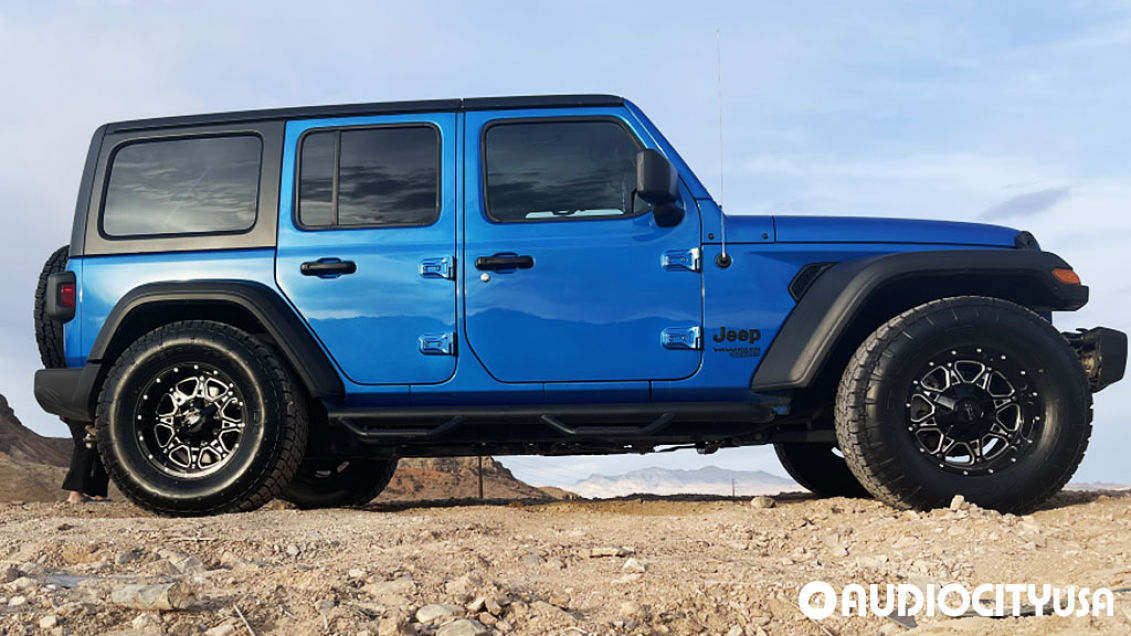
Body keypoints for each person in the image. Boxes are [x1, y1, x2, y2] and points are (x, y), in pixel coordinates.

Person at [61, 418, 109, 503]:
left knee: (104, 446)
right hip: (80, 412)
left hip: (97, 411)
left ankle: (99, 494)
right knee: (85, 444)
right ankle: (75, 494)